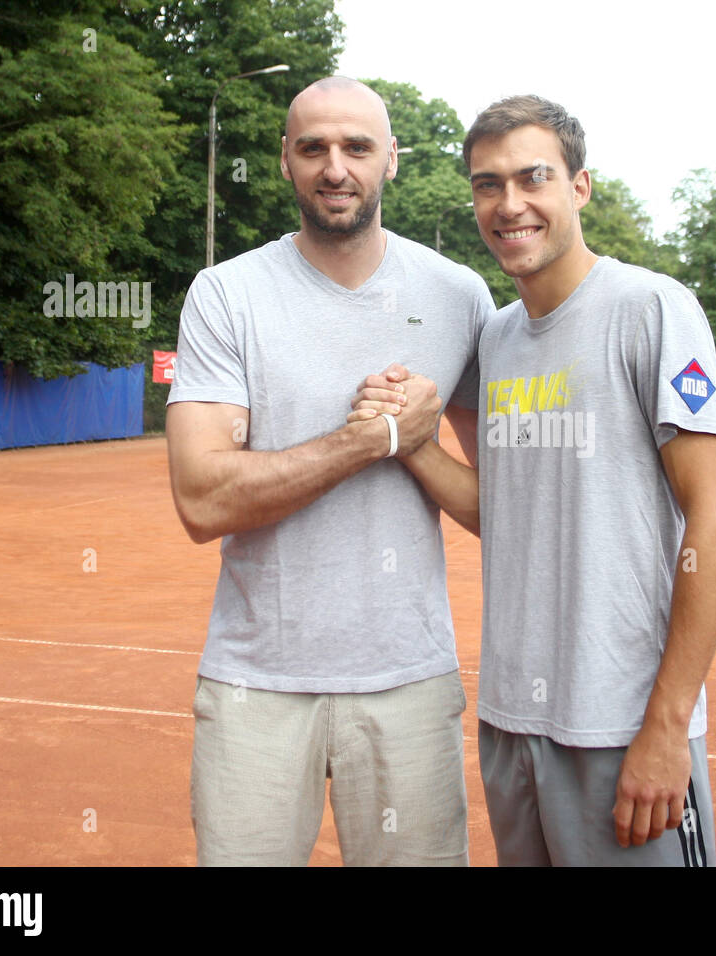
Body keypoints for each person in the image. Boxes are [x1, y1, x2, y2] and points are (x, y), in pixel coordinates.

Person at [349, 95, 716, 866]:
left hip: (622, 726)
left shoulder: (650, 308)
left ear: (580, 187)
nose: (509, 203)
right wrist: (408, 443)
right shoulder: (497, 338)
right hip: (512, 723)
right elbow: (505, 512)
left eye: (533, 178)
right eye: (487, 184)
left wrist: (667, 724)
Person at [164, 77, 494, 866]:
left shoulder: (460, 297)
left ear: (393, 161)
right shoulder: (227, 294)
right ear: (285, 161)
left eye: (356, 147)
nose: (334, 167)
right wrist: (373, 437)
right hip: (256, 684)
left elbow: (496, 504)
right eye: (313, 147)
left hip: (408, 681)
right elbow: (202, 500)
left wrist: (416, 445)